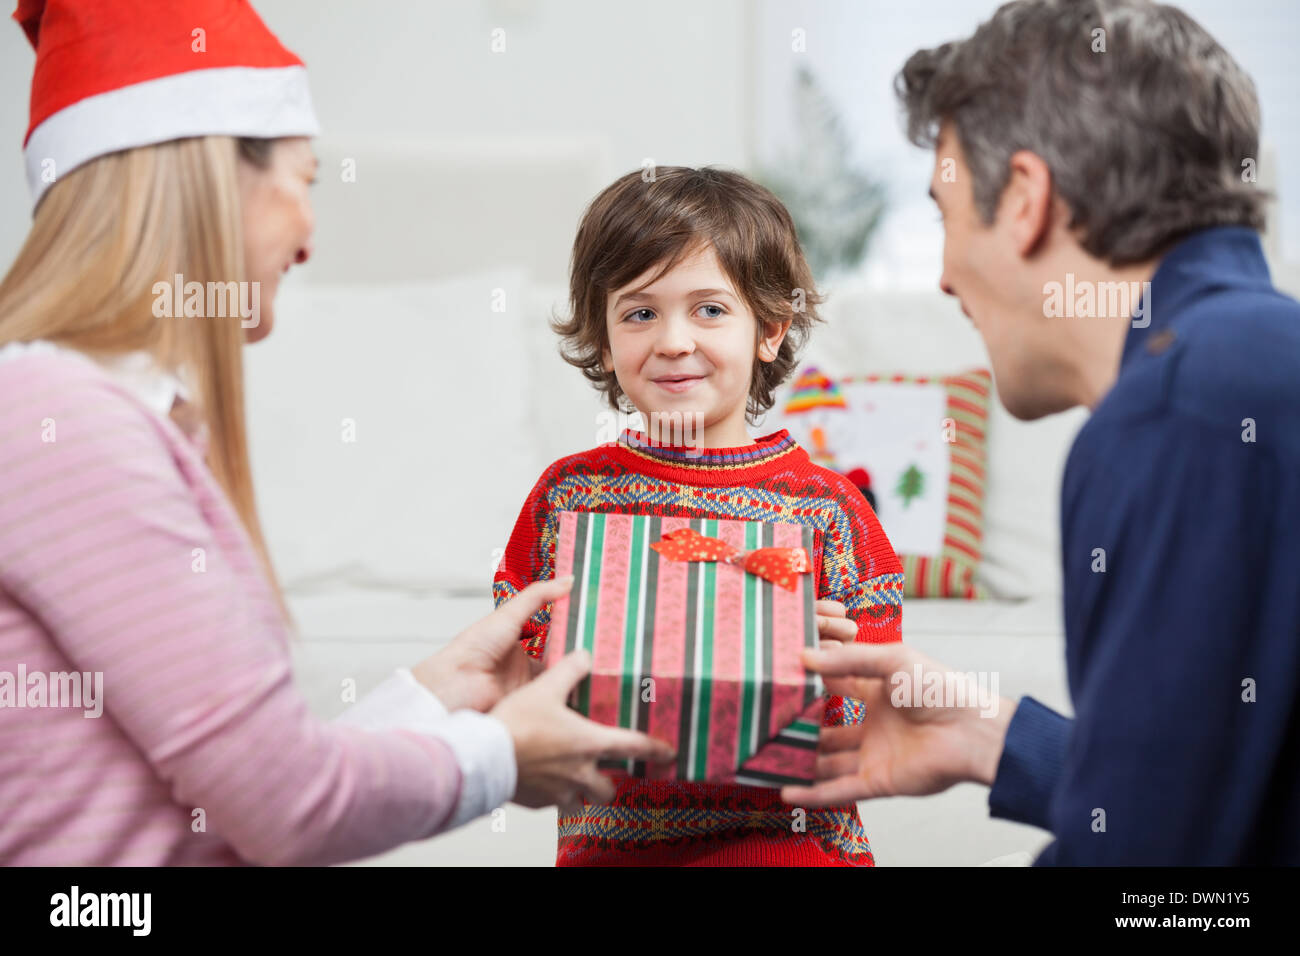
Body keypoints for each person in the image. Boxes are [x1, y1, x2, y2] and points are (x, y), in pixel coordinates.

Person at [0, 0, 675, 866]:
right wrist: (502, 757)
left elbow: (249, 781)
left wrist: (436, 694)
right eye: (305, 179)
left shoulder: (92, 412)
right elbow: (288, 810)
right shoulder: (68, 425)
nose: (312, 237)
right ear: (214, 176)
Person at [782, 0, 1300, 865]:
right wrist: (998, 739)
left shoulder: (1176, 412)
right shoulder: (1252, 363)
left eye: (946, 216)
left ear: (1024, 198)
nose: (944, 277)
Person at [493, 166, 905, 866]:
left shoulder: (830, 510)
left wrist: (841, 680)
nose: (675, 340)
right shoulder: (569, 498)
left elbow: (878, 716)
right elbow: (519, 670)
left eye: (710, 310)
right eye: (640, 312)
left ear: (769, 330)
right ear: (602, 337)